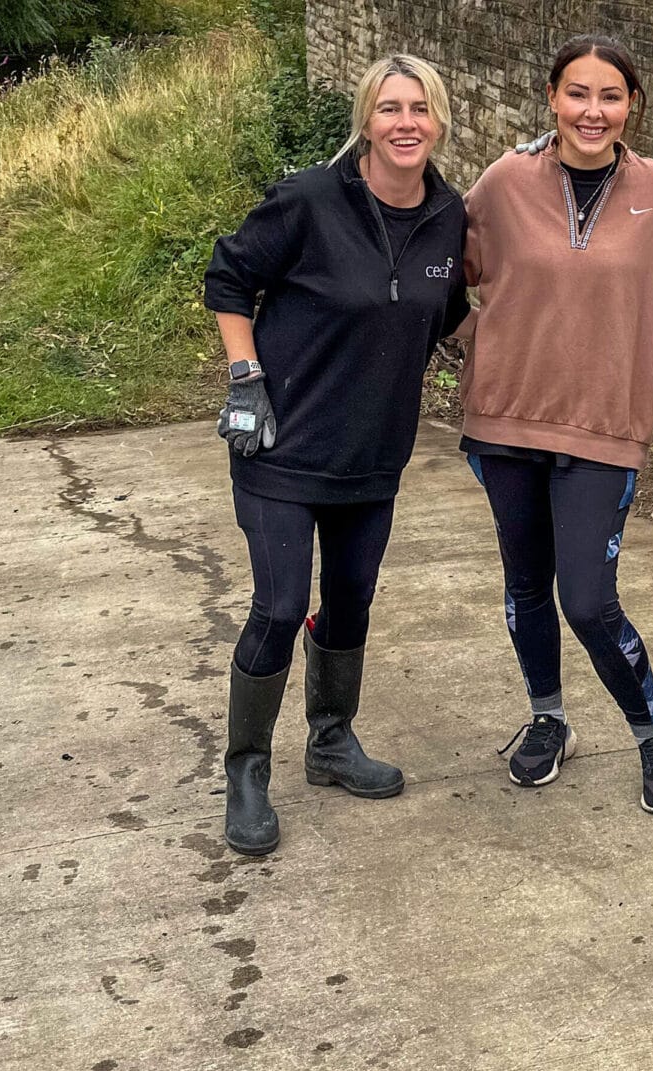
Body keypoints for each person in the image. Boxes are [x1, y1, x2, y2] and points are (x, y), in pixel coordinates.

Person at [203, 54, 469, 855]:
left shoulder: (448, 215)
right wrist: (245, 377)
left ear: (440, 120)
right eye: (390, 108)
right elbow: (227, 278)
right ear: (366, 119)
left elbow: (449, 317)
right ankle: (246, 770)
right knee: (281, 609)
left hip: (373, 455)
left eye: (420, 108)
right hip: (281, 447)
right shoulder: (309, 200)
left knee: (349, 605)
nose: (405, 123)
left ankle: (330, 743)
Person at [461, 34, 653, 814]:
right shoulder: (504, 182)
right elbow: (436, 267)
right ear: (551, 97)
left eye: (610, 96)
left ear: (631, 105)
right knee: (525, 587)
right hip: (503, 421)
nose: (593, 111)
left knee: (588, 600)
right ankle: (548, 720)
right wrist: (470, 336)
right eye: (578, 93)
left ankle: (652, 734)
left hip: (605, 428)